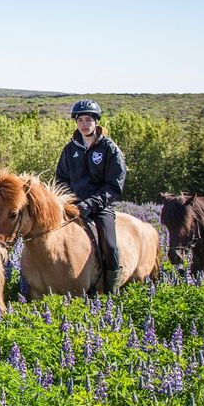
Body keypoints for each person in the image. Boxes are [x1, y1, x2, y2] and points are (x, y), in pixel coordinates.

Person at [55, 99, 127, 292]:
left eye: (88, 120)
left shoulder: (110, 149)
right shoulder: (70, 150)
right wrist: (67, 202)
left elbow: (114, 186)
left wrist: (88, 205)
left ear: (96, 121)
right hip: (72, 207)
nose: (84, 124)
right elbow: (61, 179)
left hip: (100, 208)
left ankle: (112, 289)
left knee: (110, 246)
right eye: (80, 120)